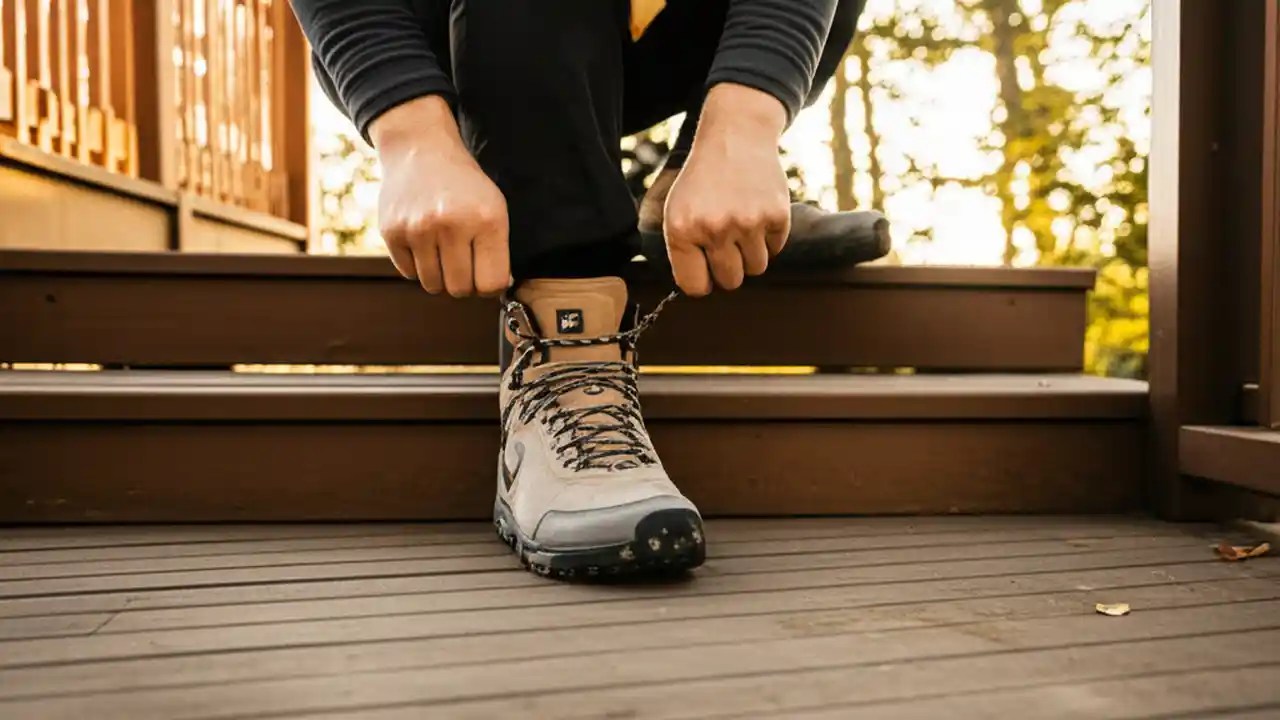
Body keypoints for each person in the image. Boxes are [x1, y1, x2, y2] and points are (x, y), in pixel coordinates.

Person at [290, 0, 867, 578]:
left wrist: (742, 134)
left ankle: (689, 185)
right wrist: (412, 139)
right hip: (450, 36)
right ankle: (566, 345)